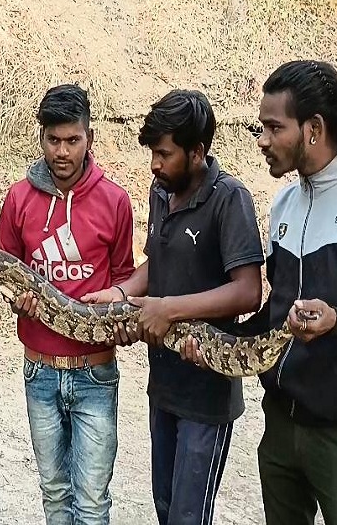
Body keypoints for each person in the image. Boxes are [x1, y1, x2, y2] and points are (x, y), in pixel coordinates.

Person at [82, 89, 264, 525]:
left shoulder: (230, 199)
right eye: (153, 154)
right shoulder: (162, 192)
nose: (155, 165)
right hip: (164, 385)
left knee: (188, 516)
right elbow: (156, 262)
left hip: (207, 393)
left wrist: (168, 308)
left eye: (164, 154)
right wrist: (123, 293)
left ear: (197, 151)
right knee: (164, 507)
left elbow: (248, 291)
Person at [0, 83, 135, 524]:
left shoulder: (115, 201)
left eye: (72, 140)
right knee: (54, 494)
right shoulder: (18, 199)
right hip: (39, 370)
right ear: (41, 139)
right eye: (53, 140)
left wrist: (120, 300)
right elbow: (6, 274)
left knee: (92, 502)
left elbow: (126, 277)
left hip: (95, 371)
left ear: (88, 138)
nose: (62, 151)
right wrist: (17, 299)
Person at [251, 60, 337, 524]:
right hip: (280, 427)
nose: (262, 140)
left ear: (314, 128)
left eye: (273, 127)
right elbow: (275, 313)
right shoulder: (284, 202)